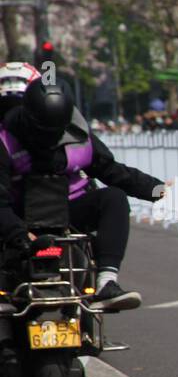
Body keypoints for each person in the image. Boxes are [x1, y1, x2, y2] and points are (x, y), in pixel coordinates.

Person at [0, 80, 169, 312]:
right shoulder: (5, 141)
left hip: (69, 208)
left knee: (114, 197)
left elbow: (111, 170)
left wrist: (156, 190)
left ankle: (106, 283)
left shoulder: (79, 135)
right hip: (21, 218)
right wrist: (20, 235)